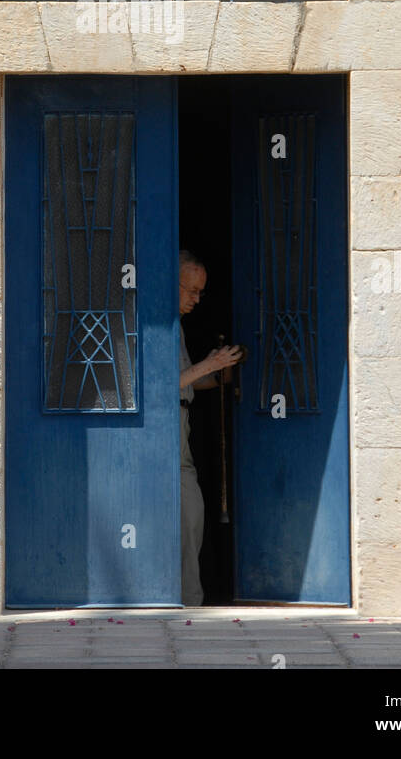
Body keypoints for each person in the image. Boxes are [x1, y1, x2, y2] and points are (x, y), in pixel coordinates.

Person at [178, 250, 244, 607]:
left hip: (181, 425)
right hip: (161, 430)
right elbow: (160, 385)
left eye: (200, 292)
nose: (196, 299)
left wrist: (220, 376)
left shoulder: (179, 327)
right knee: (188, 513)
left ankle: (188, 600)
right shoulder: (156, 325)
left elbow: (186, 383)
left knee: (192, 515)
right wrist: (209, 363)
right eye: (190, 290)